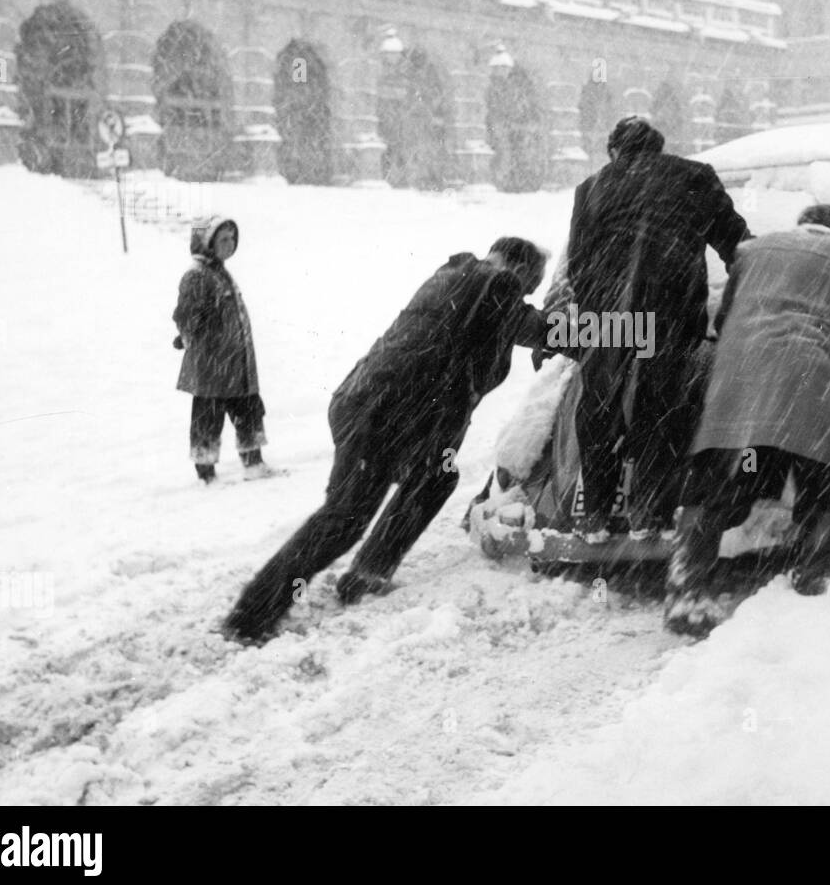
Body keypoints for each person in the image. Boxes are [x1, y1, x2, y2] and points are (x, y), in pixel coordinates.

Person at [222, 237, 549, 643]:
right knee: (343, 519)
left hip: (371, 403)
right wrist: (628, 333)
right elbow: (543, 329)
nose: (527, 294)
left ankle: (366, 575)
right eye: (531, 284)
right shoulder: (494, 285)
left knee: (437, 477)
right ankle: (249, 617)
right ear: (520, 270)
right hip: (386, 416)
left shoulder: (456, 276)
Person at [664, 204, 830, 638]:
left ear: (802, 224)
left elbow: (724, 321)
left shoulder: (753, 252)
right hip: (810, 386)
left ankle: (686, 589)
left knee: (726, 481)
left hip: (741, 384)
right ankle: (811, 584)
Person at [564, 116, 750, 543]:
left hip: (607, 311)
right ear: (659, 148)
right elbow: (736, 244)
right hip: (669, 305)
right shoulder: (694, 176)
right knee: (659, 405)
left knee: (599, 406)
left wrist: (595, 309)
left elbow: (577, 261)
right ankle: (648, 514)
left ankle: (593, 517)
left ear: (615, 150)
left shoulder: (590, 187)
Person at [172, 215, 278, 484]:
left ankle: (254, 462)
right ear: (206, 243)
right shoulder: (197, 276)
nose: (230, 245)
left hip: (236, 363)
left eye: (232, 239)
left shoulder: (220, 271)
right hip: (212, 367)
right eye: (223, 240)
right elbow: (187, 315)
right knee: (208, 419)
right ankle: (205, 473)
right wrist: (188, 335)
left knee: (250, 411)